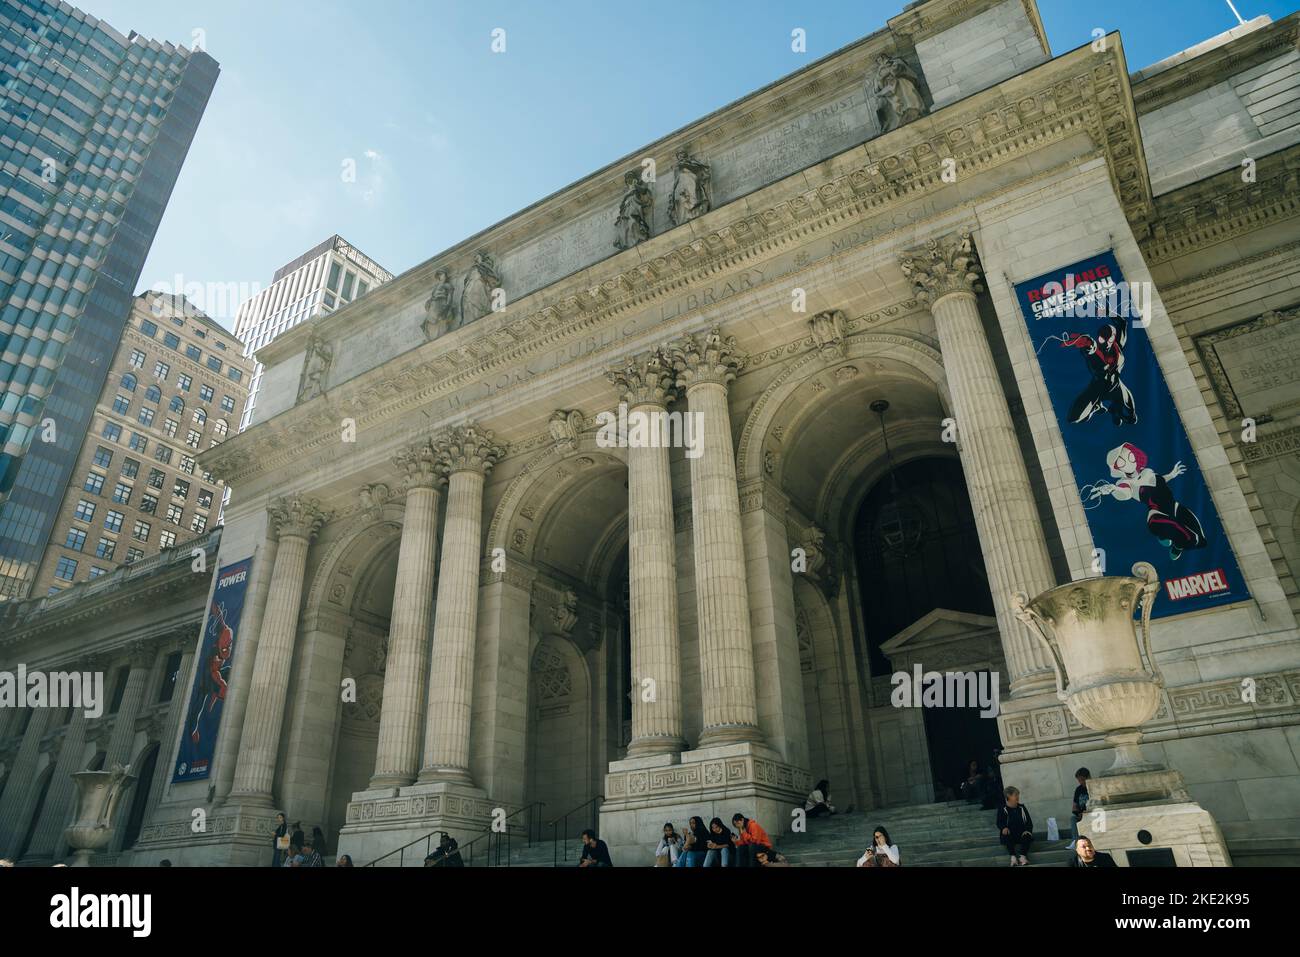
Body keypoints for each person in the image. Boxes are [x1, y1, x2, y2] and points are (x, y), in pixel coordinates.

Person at [997, 786, 1034, 865]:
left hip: (1021, 834)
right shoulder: (1002, 809)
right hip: (1010, 835)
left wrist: (1027, 830)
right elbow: (999, 822)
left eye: (1018, 794)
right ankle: (1013, 857)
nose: (1018, 797)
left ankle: (1022, 857)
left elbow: (1029, 822)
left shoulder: (1022, 808)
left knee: (1027, 835)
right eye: (1015, 795)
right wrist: (1003, 828)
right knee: (1006, 834)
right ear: (1008, 796)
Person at [1071, 768, 1091, 839]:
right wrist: (1078, 813)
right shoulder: (1078, 790)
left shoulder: (1094, 787)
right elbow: (1074, 806)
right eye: (1079, 780)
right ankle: (1076, 842)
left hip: (1092, 813)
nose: (1081, 782)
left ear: (1088, 777)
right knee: (1073, 819)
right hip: (1081, 814)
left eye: (1082, 779)